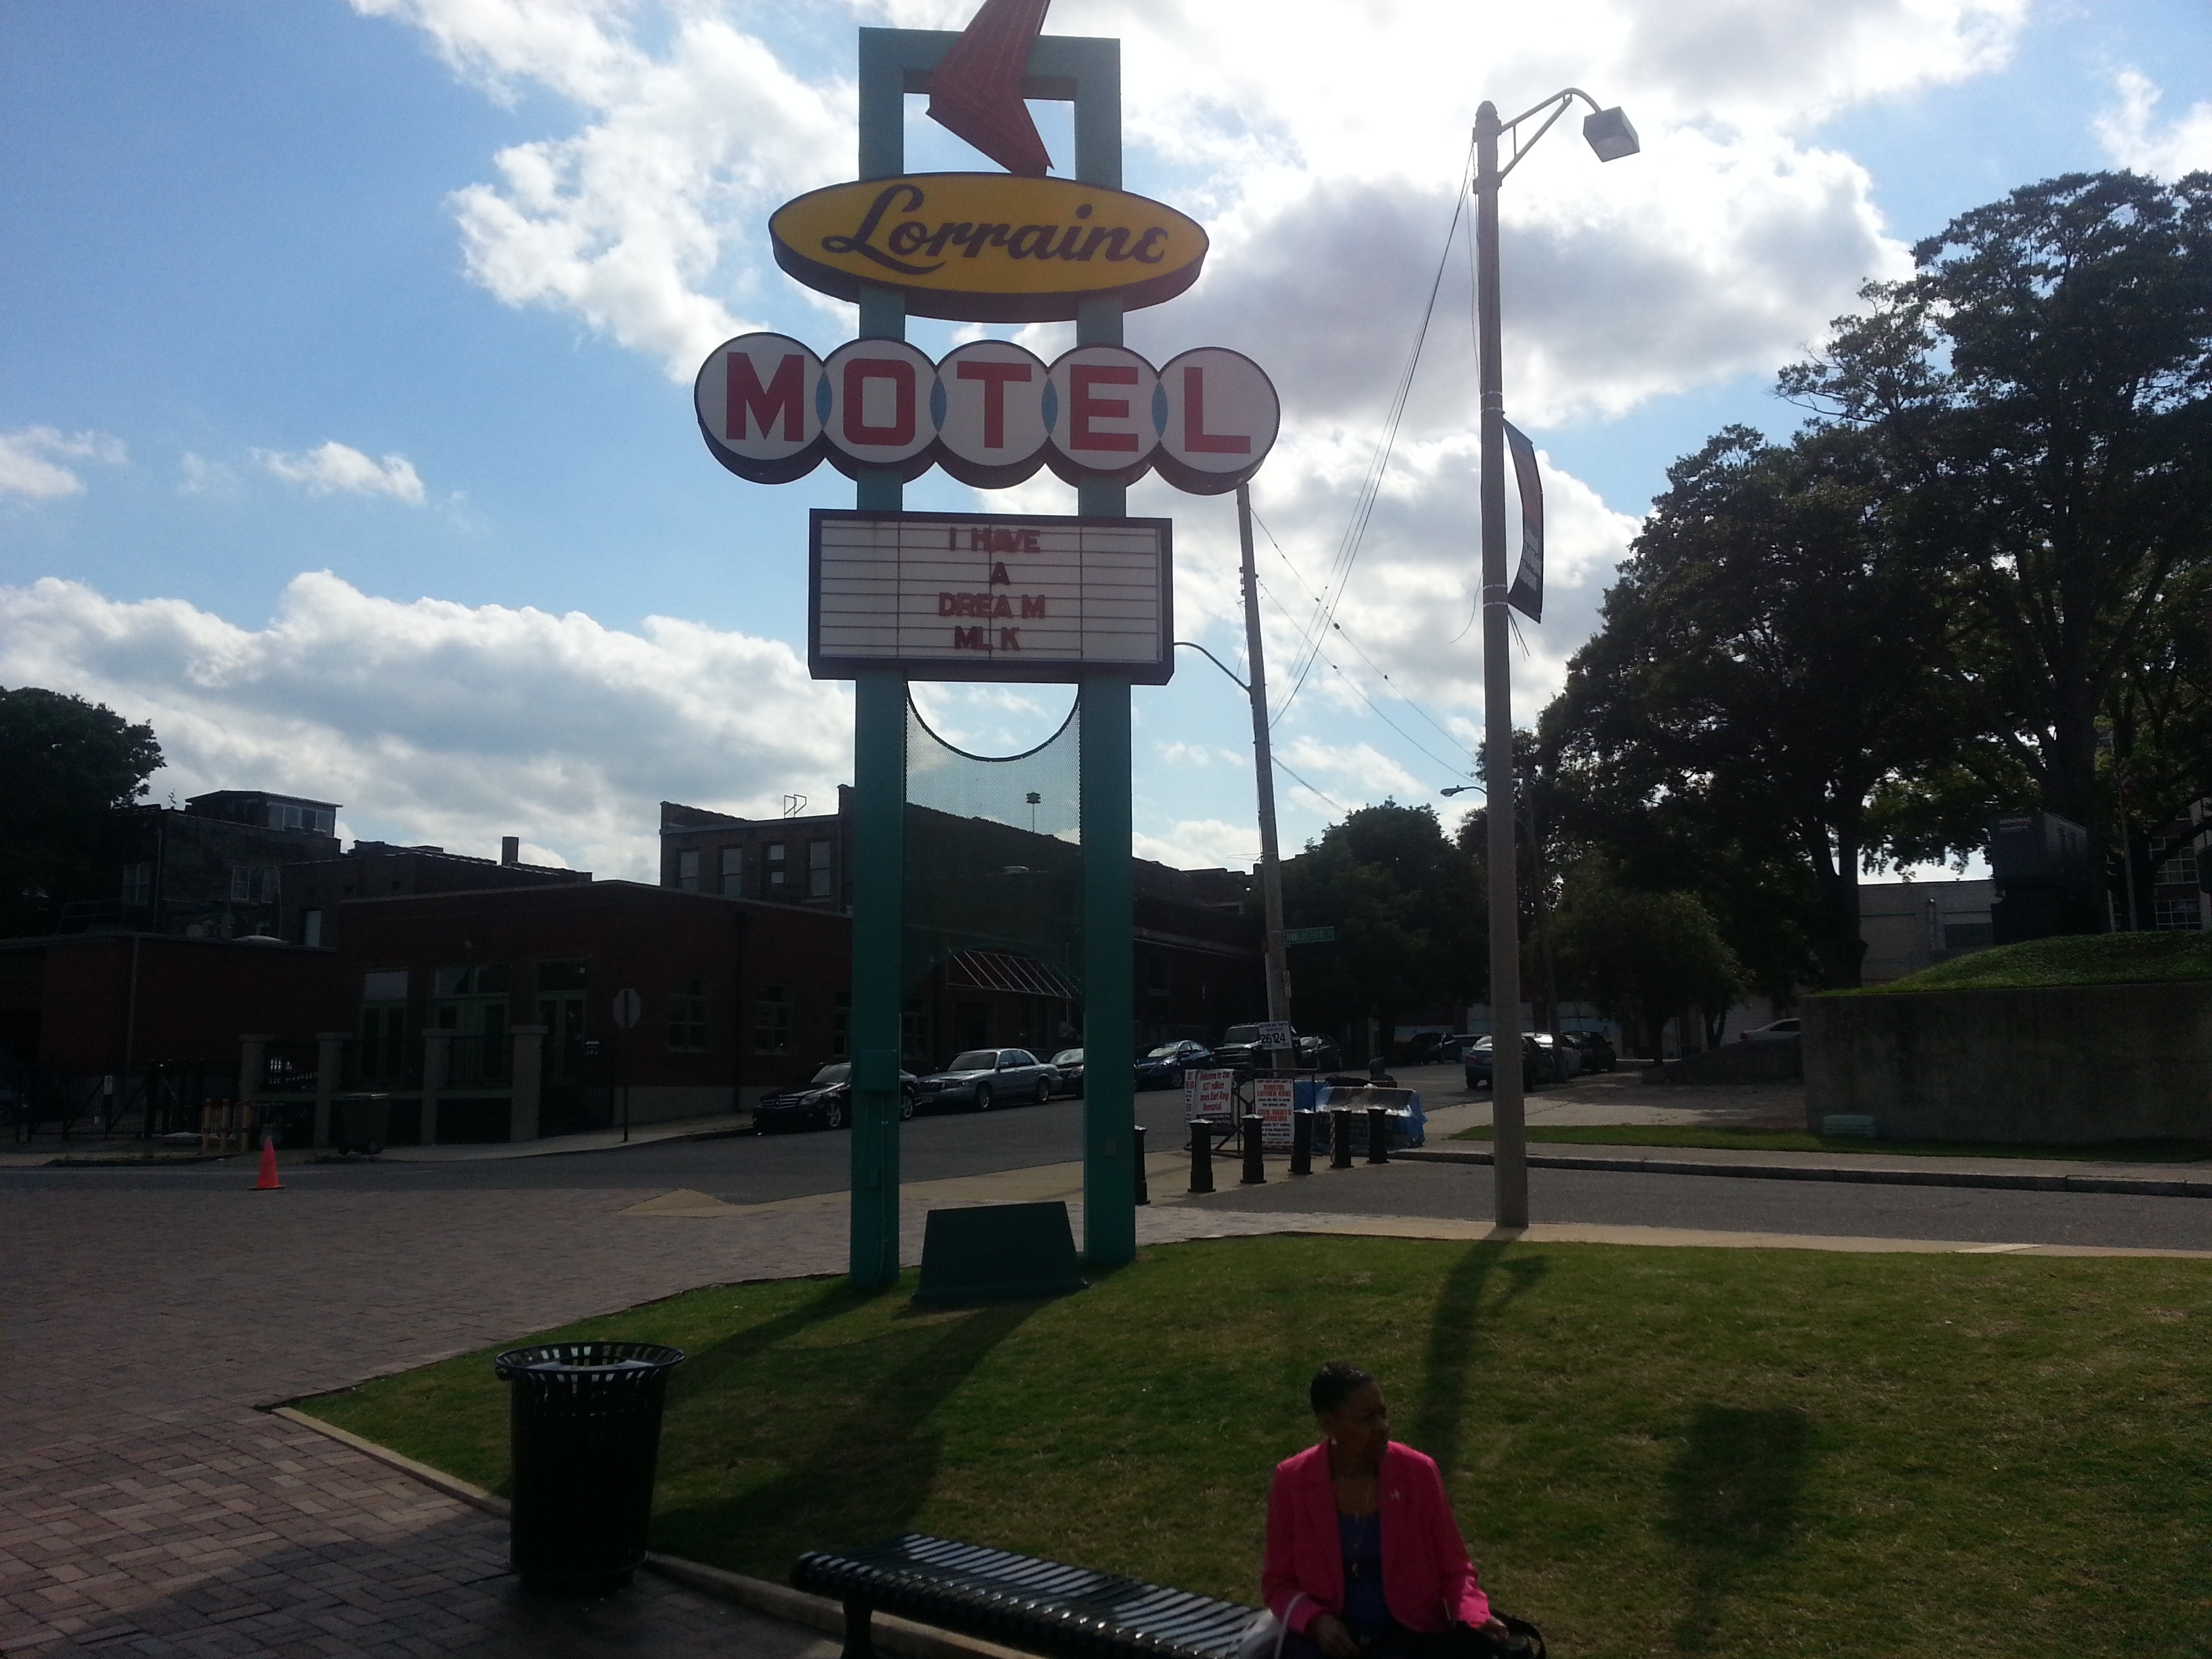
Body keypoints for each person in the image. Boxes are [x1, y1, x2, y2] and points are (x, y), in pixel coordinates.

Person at [1263, 1363, 1510, 1659]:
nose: (1382, 1427)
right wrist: (1318, 1622)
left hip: (1408, 1637)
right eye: (1367, 1419)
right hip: (1324, 1639)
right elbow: (1278, 1583)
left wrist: (1475, 1616)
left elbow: (1455, 1569)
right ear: (1328, 1423)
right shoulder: (1292, 1480)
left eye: (1383, 1413)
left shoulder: (1418, 1472)